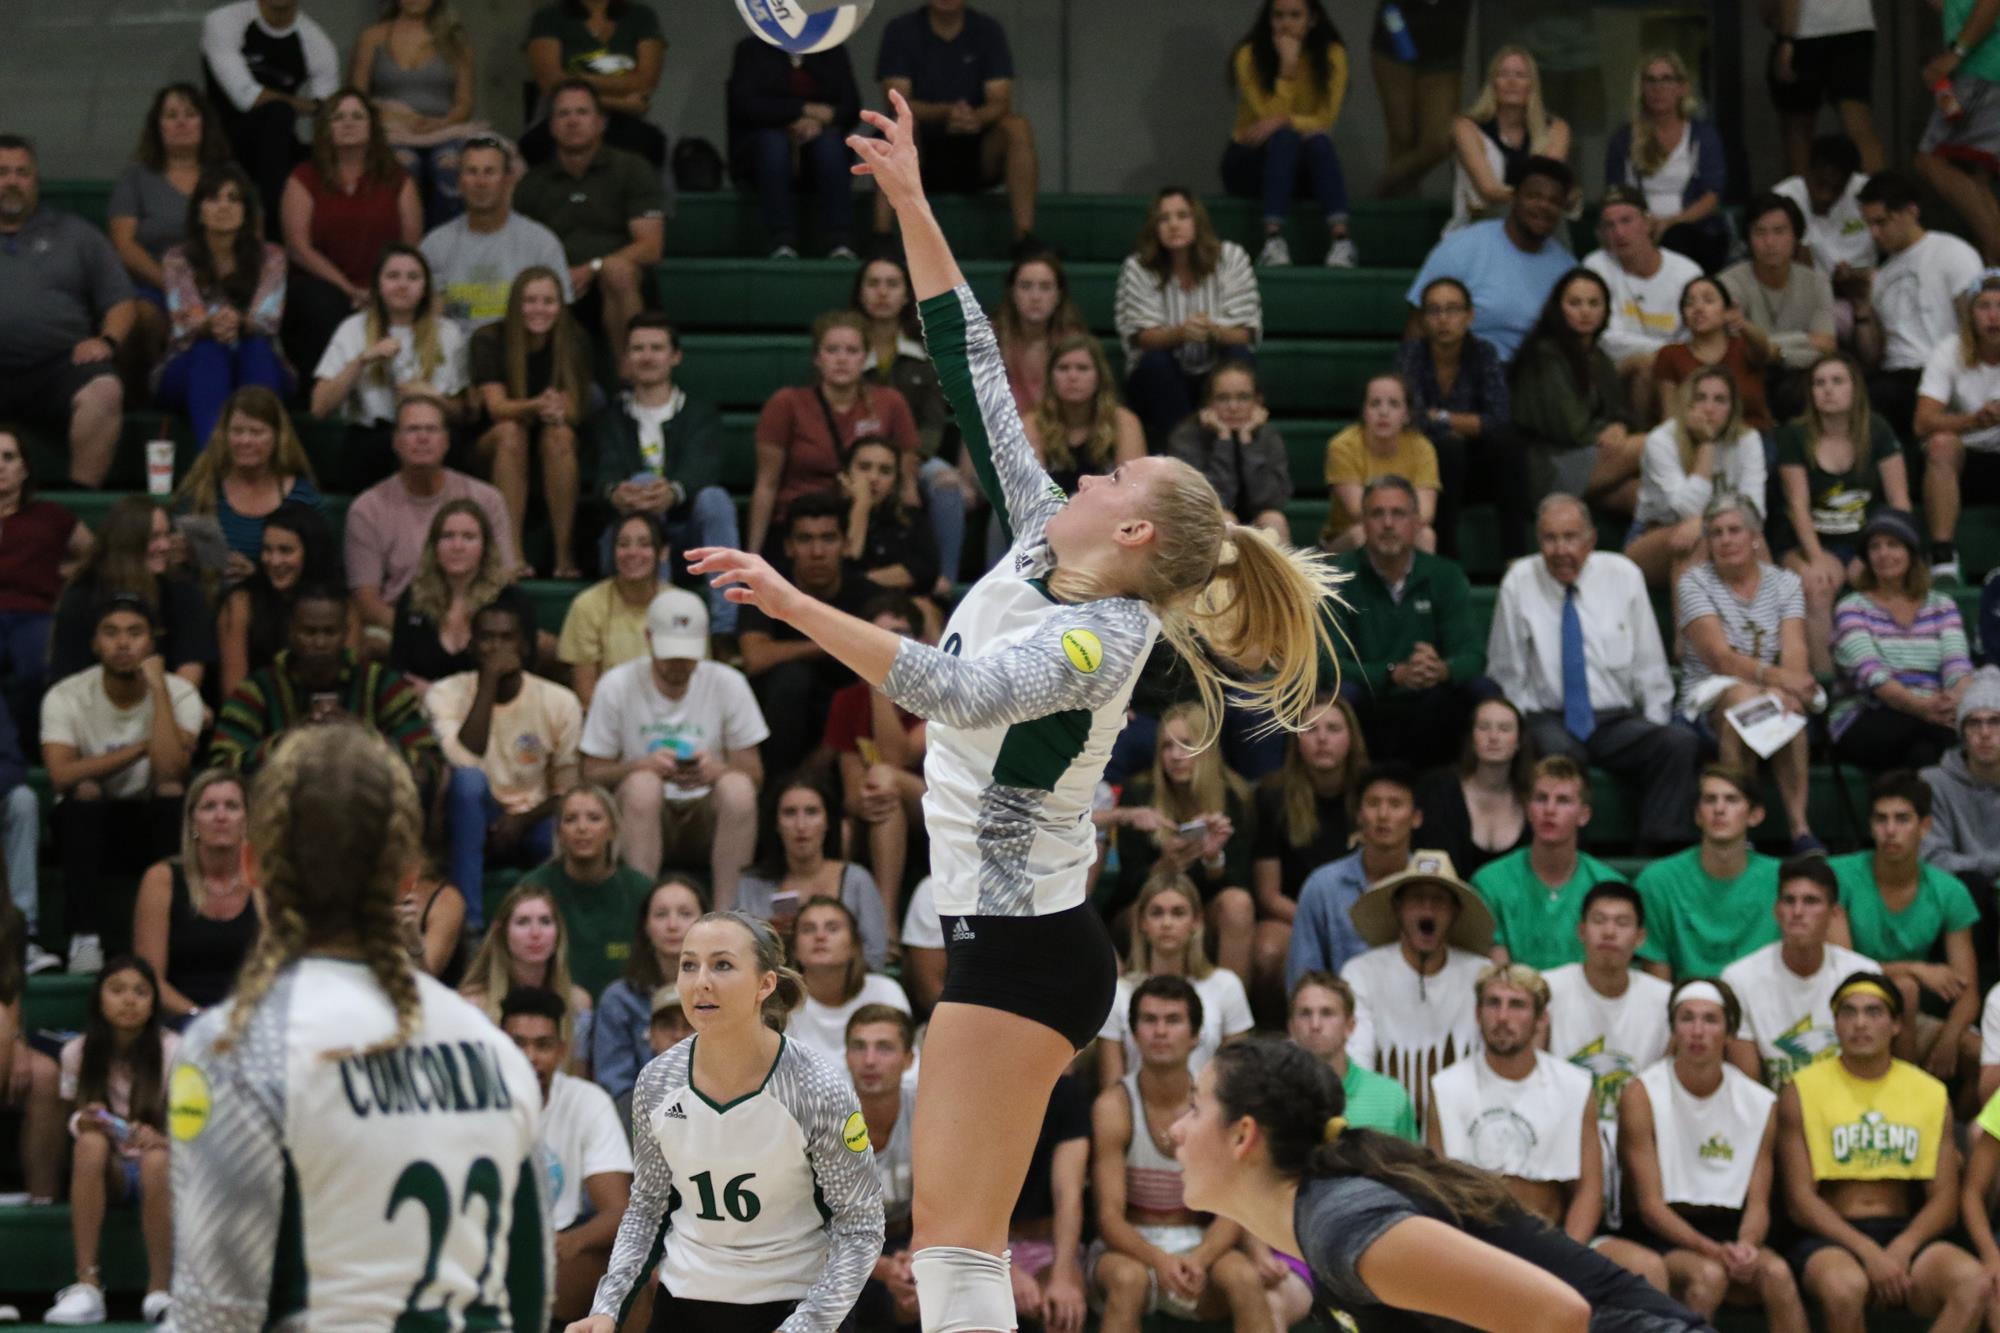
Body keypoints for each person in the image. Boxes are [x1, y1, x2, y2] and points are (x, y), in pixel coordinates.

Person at [684, 89, 1340, 1333]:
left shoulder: (1100, 636)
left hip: (1022, 945)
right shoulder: (1048, 531)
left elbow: (945, 689)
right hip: (1008, 933)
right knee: (956, 1244)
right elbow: (971, 356)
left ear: (1134, 530)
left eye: (1115, 474)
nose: (1089, 468)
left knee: (955, 1249)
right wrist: (913, 201)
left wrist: (785, 597)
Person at [163, 725, 549, 1331]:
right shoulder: (496, 1050)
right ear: (406, 878)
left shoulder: (237, 1047)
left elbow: (214, 1316)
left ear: (252, 865)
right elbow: (526, 1301)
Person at [1169, 1039, 1711, 1333]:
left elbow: (1557, 1317)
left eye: (1194, 1107)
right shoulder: (1323, 1223)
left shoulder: (1343, 1223)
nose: (1176, 1130)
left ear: (1244, 1134)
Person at [570, 910, 884, 1333]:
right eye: (688, 965)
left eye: (722, 964)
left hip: (793, 1304)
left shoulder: (817, 1088)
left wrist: (807, 1326)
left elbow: (861, 1226)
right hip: (684, 1303)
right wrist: (607, 1307)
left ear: (765, 984)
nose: (701, 981)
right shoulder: (658, 1082)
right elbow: (646, 1208)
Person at [1776, 972, 1988, 1331]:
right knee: (1846, 1288)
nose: (1860, 1023)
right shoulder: (1801, 1090)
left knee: (1973, 1283)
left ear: (1895, 1026)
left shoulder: (1929, 1092)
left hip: (1906, 1232)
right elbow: (1799, 1200)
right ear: (1836, 1025)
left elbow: (1945, 1199)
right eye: (1849, 1013)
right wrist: (1869, 1252)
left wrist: (1903, 1247)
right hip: (1830, 1238)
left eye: (1874, 1012)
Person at [1486, 493, 1698, 852]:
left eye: (1570, 538)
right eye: (1549, 539)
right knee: (1559, 752)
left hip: (1615, 721)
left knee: (1677, 743)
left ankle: (1657, 855)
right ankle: (1568, 857)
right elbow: (1506, 671)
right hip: (1548, 718)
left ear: (1591, 540)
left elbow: (1650, 664)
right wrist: (1522, 731)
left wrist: (1656, 722)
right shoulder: (1519, 580)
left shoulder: (1623, 575)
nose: (1559, 550)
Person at [1429, 963, 1661, 1285]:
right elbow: (1440, 1191)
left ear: (1541, 1019)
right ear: (1478, 1013)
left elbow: (1589, 1190)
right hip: (1476, 1245)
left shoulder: (1575, 1085)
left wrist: (1563, 1258)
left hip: (1555, 1240)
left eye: (1517, 1005)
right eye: (1493, 1003)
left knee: (1649, 1268)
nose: (1503, 1016)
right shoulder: (1446, 1086)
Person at [1617, 979, 1806, 1330]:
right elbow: (1650, 1207)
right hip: (1666, 1232)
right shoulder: (1642, 1093)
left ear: (1729, 1032)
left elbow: (1759, 1202)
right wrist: (1710, 1250)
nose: (1698, 1031)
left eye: (1710, 1020)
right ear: (1673, 1029)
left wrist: (1746, 1246)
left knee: (1777, 1274)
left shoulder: (1760, 1101)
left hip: (1732, 1230)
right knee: (1708, 1276)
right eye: (1687, 1019)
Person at [1089, 976, 1268, 1333]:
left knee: (1245, 1279)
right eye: (1149, 1020)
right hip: (1130, 1248)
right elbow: (1108, 1218)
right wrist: (1159, 1260)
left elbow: (1233, 1209)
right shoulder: (1114, 1106)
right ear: (1134, 1034)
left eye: (1173, 1020)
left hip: (1199, 1245)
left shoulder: (1220, 1106)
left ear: (1196, 1035)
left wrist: (1199, 1260)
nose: (1160, 1031)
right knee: (1128, 1280)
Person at [43, 598, 202, 973]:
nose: (123, 643)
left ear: (151, 643)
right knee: (84, 792)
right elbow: (60, 775)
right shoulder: (67, 695)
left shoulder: (180, 694)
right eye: (111, 633)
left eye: (135, 633)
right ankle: (84, 940)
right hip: (87, 827)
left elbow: (169, 773)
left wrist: (159, 689)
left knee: (173, 796)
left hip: (152, 823)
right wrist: (143, 746)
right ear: (96, 643)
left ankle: (174, 936)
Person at [579, 587, 767, 904]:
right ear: (649, 639)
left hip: (704, 811)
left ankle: (728, 914)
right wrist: (641, 765)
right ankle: (641, 910)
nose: (679, 665)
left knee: (738, 788)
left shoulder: (728, 683)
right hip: (642, 812)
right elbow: (591, 774)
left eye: (687, 656)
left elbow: (755, 774)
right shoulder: (617, 684)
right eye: (670, 656)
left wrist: (716, 770)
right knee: (642, 786)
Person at [1675, 495, 1818, 851]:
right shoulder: (1693, 584)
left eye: (1734, 530)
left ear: (1755, 536)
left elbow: (1796, 647)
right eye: (1716, 533)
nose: (1725, 540)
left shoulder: (1785, 583)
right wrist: (1781, 681)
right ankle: (1740, 830)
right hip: (1709, 691)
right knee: (1743, 700)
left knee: (1785, 711)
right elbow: (1720, 658)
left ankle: (1800, 828)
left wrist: (1790, 690)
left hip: (1771, 687)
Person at [428, 598, 582, 917]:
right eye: (486, 638)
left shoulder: (560, 701)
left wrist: (522, 820)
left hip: (534, 819)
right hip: (471, 816)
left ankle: (559, 928)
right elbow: (464, 761)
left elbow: (568, 790)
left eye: (506, 638)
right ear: (471, 646)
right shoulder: (444, 694)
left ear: (525, 647)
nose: (495, 647)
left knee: (566, 828)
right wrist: (488, 684)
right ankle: (468, 925)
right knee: (468, 782)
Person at [43, 957, 176, 1325]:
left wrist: (162, 1138)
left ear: (153, 1003)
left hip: (165, 1170)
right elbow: (71, 1116)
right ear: (99, 1000)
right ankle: (87, 1284)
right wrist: (82, 1120)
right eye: (117, 990)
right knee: (89, 1143)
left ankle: (160, 1292)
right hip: (110, 1173)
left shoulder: (175, 1049)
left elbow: (197, 1129)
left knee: (156, 1160)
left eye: (140, 992)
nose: (129, 1000)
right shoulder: (77, 1053)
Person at [0, 134, 135, 488]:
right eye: (2, 172)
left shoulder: (76, 235)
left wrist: (107, 341)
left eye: (21, 173)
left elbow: (121, 300)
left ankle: (80, 502)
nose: (12, 181)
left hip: (58, 367)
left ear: (36, 181)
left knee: (104, 389)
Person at [1829, 773, 1983, 1082]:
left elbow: (1968, 991)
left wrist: (1950, 1040)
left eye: (1902, 819)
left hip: (1908, 1017)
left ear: (1924, 827)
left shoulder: (1948, 890)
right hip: (1842, 1008)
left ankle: (1962, 1122)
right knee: (1906, 987)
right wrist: (1915, 969)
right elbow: (1842, 969)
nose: (1890, 830)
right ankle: (1903, 1100)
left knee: (1979, 1052)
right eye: (1881, 819)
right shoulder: (1840, 876)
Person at [592, 313, 739, 629]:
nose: (646, 357)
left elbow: (704, 469)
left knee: (716, 499)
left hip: (688, 533)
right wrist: (615, 492)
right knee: (643, 484)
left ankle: (726, 629)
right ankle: (655, 625)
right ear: (627, 357)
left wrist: (673, 492)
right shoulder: (610, 417)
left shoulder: (700, 413)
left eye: (656, 348)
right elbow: (600, 475)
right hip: (628, 537)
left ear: (675, 356)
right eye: (638, 349)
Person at [210, 583, 440, 783]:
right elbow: (220, 767)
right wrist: (290, 739)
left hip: (367, 812)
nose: (319, 642)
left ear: (345, 633)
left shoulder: (380, 683)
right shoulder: (260, 688)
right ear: (291, 631)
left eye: (330, 632)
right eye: (309, 632)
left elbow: (429, 763)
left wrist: (361, 735)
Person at [1543, 883, 1673, 1228]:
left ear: (1641, 937)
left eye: (1621, 922)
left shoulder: (1665, 1001)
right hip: (1561, 1141)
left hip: (1639, 1149)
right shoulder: (1549, 990)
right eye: (1599, 921)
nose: (1610, 932)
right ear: (1581, 931)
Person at [1330, 476, 1483, 769]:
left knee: (1480, 690)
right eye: (1377, 514)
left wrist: (1441, 669)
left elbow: (1473, 656)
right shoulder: (1337, 576)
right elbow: (1329, 665)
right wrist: (1391, 674)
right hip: (1368, 704)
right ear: (1363, 523)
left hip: (1430, 703)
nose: (1388, 524)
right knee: (1342, 695)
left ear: (1416, 522)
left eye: (1398, 514)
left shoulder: (1445, 575)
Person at [500, 986, 632, 1323]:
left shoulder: (587, 1101)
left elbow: (618, 1210)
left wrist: (574, 1241)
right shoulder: (472, 1103)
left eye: (542, 1045)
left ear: (561, 1051)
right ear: (497, 1046)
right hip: (487, 1240)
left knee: (615, 1269)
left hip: (560, 1241)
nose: (530, 1056)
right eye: (517, 1043)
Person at [1339, 851, 1493, 1137]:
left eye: (1438, 901)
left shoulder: (1481, 974)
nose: (1428, 910)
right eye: (1417, 899)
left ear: (1455, 912)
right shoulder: (1361, 972)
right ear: (1398, 908)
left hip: (1465, 1128)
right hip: (1383, 1128)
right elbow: (1357, 1059)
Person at [1775, 353, 1911, 675]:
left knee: (1879, 575)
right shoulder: (1794, 435)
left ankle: (1889, 675)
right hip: (1809, 541)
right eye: (1819, 383)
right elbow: (1797, 505)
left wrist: (1885, 549)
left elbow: (1899, 500)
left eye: (1837, 381)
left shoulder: (1877, 430)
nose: (1828, 390)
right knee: (1817, 585)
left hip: (1866, 539)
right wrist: (1816, 556)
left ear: (1855, 389)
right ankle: (1827, 686)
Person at [344, 392, 519, 643]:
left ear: (447, 441)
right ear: (396, 442)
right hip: (400, 626)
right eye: (413, 430)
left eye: (432, 430)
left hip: (478, 627)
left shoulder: (487, 499)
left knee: (547, 648)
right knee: (370, 644)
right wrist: (423, 633)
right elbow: (366, 601)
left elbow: (505, 578)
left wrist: (461, 627)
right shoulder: (367, 508)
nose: (423, 438)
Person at [750, 310, 922, 559]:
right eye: (832, 350)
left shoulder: (891, 402)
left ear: (865, 357)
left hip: (872, 527)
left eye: (852, 351)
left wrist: (914, 545)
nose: (842, 359)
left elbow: (908, 486)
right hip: (802, 525)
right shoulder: (786, 403)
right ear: (817, 358)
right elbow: (766, 484)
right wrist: (754, 553)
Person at [513, 80, 665, 356]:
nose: (572, 121)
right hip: (555, 285)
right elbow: (517, 246)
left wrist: (592, 268)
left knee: (617, 271)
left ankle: (629, 381)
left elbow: (651, 247)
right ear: (551, 126)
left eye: (582, 113)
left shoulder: (631, 169)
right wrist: (555, 277)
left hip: (616, 282)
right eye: (563, 114)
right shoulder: (532, 183)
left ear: (600, 122)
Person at [280, 88, 423, 374]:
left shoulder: (398, 179)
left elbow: (410, 246)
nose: (348, 123)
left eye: (358, 116)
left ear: (372, 126)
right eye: (339, 117)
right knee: (322, 303)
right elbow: (298, 247)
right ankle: (324, 394)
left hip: (383, 284)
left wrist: (380, 288)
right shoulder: (303, 178)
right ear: (325, 128)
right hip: (321, 285)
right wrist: (348, 289)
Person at [871, 0, 1036, 245]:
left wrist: (973, 118)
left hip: (977, 151)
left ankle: (1025, 238)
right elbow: (896, 100)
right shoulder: (901, 30)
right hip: (920, 154)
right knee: (897, 126)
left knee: (1017, 127)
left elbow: (1001, 101)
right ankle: (881, 236)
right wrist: (946, 113)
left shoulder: (988, 30)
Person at [309, 241, 470, 491]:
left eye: (413, 277)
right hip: (373, 438)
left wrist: (434, 398)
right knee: (382, 446)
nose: (403, 284)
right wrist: (362, 361)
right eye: (393, 276)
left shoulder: (448, 333)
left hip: (432, 434)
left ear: (425, 286)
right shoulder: (352, 329)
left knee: (450, 443)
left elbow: (463, 414)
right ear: (378, 285)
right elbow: (319, 407)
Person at [1107, 707, 1258, 973]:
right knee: (1159, 910)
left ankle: (1231, 1003)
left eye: (1187, 745)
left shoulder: (1236, 796)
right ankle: (1150, 1004)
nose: (1176, 756)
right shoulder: (1140, 793)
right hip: (1143, 907)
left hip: (1206, 908)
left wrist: (1212, 860)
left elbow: (1241, 881)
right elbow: (1127, 885)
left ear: (1207, 749)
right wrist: (1164, 868)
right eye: (1167, 746)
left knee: (1238, 904)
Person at [739, 494, 877, 782]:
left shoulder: (867, 596)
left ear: (846, 544)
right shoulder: (767, 588)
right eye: (805, 539)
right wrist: (828, 642)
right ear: (789, 547)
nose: (817, 551)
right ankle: (777, 791)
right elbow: (755, 657)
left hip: (850, 728)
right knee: (792, 679)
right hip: (780, 716)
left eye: (828, 538)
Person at [1112, 188, 1262, 444]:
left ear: (1198, 221)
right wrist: (1180, 334)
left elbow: (1244, 333)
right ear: (1154, 227)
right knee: (1155, 363)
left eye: (1182, 216)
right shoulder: (1138, 267)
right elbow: (1142, 337)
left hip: (1215, 366)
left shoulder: (1231, 258)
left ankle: (1236, 445)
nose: (1173, 225)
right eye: (1164, 218)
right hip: (1160, 376)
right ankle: (1184, 448)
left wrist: (1212, 331)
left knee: (1239, 356)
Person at [157, 163, 292, 444]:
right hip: (189, 365)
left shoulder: (271, 257)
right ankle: (215, 466)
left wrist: (239, 323)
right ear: (199, 211)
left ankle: (261, 461)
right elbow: (185, 321)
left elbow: (267, 320)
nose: (223, 207)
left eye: (233, 199)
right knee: (210, 349)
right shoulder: (177, 259)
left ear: (246, 211)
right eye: (213, 198)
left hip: (255, 358)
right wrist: (214, 324)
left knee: (254, 347)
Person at [472, 265, 592, 578]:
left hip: (550, 450)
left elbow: (578, 408)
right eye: (530, 301)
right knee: (512, 432)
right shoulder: (489, 339)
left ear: (560, 305)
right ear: (515, 304)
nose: (539, 309)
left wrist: (560, 411)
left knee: (561, 435)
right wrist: (538, 405)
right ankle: (511, 554)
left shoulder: (575, 340)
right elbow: (496, 408)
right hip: (491, 448)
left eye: (548, 301)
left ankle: (564, 556)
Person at [1829, 507, 1972, 770]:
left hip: (1932, 712)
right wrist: (1921, 708)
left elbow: (1957, 666)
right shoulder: (1852, 608)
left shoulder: (1942, 605)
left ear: (1911, 553)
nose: (1883, 554)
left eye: (1893, 545)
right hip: (1867, 712)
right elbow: (1873, 676)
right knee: (1929, 738)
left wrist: (1955, 699)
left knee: (1925, 750)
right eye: (1875, 547)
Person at [1249, 694, 1366, 1016]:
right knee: (1267, 950)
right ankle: (1281, 1029)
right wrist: (1317, 918)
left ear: (1351, 738)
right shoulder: (1273, 795)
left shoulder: (1370, 794)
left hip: (1362, 911)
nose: (1322, 738)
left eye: (1333, 728)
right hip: (1293, 913)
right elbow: (1268, 895)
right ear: (1296, 738)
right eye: (1310, 729)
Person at [1854, 169, 1982, 460]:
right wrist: (1862, 305)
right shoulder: (1882, 276)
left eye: (1881, 222)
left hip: (1939, 373)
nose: (1874, 233)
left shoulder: (1952, 253)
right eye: (1868, 225)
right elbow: (1874, 354)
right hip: (1893, 374)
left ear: (1910, 211)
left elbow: (1974, 324)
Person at [1721, 854, 1879, 1089]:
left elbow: (1872, 1071)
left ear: (1834, 915)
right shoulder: (1739, 979)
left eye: (1811, 901)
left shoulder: (1864, 974)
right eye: (1789, 900)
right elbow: (1750, 1091)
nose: (1797, 911)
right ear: (1777, 911)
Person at [852, 255, 964, 582]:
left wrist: (911, 459)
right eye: (874, 284)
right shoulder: (845, 348)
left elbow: (932, 422)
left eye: (892, 284)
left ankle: (946, 579)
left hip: (913, 454)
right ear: (860, 292)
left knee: (945, 481)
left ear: (906, 295)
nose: (882, 293)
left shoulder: (924, 352)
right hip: (854, 451)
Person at [1473, 759, 1644, 972]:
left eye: (1563, 800)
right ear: (1528, 809)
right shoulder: (1491, 882)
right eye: (1541, 799)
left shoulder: (1608, 886)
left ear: (1584, 815)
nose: (1550, 810)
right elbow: (1498, 972)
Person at [109, 85, 233, 377]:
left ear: (205, 123)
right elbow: (123, 244)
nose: (180, 122)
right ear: (157, 126)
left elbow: (251, 240)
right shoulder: (136, 177)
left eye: (190, 114)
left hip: (217, 285)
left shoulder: (228, 175)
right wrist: (173, 286)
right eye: (171, 115)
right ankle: (147, 394)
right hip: (153, 285)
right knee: (139, 316)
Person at [1222, 0, 1355, 269]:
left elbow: (1326, 119)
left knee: (1318, 142)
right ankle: (1273, 240)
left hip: (1303, 165)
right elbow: (1266, 120)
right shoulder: (1249, 54)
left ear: (1312, 19)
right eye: (1278, 15)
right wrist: (1287, 68)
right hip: (1250, 159)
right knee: (1285, 139)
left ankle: (1342, 242)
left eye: (1295, 15)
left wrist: (1286, 119)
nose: (1286, 23)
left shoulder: (1333, 54)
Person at [1406, 155, 1576, 363]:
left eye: (1554, 201)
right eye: (1534, 196)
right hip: (1467, 375)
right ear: (1514, 198)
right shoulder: (1462, 247)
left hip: (1532, 380)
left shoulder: (1567, 268)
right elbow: (1418, 324)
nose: (1543, 206)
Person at [1098, 875, 1255, 1088]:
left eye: (1178, 913)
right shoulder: (1118, 993)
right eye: (1157, 913)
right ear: (1142, 922)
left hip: (1206, 1112)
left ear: (1196, 921)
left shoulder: (1226, 986)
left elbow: (1236, 1081)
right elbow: (1112, 1086)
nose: (1167, 923)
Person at [1508, 267, 1641, 518]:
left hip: (1587, 458)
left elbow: (1619, 411)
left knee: (1639, 494)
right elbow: (1571, 429)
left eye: (1594, 303)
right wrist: (1605, 430)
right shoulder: (1545, 355)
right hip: (1549, 466)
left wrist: (1619, 426)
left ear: (1606, 310)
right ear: (1558, 308)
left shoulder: (1596, 355)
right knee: (1654, 444)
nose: (1585, 311)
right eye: (1575, 303)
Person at [132, 770, 259, 1026]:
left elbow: (278, 971)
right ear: (192, 823)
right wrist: (202, 1022)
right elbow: (150, 978)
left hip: (249, 1019)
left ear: (247, 820)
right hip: (180, 1020)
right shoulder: (161, 879)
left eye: (232, 807)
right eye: (209, 807)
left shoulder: (265, 883)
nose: (221, 816)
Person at [200, 0, 341, 230]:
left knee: (319, 156)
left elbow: (330, 115)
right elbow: (246, 98)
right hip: (223, 141)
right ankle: (275, 223)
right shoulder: (224, 21)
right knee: (279, 111)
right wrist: (308, 106)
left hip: (277, 143)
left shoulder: (316, 42)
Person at [49, 499, 216, 694]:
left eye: (166, 534)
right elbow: (68, 678)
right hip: (95, 708)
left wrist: (173, 708)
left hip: (166, 706)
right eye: (154, 537)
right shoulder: (82, 596)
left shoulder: (184, 591)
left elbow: (190, 668)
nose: (164, 545)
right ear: (127, 542)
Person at [1628, 366, 1768, 594]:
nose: (1709, 408)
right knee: (1695, 543)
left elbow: (1755, 509)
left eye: (1720, 400)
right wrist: (1707, 445)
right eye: (1701, 398)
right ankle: (1690, 631)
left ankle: (1766, 626)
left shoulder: (1748, 440)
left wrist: (1704, 522)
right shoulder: (1661, 440)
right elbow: (1686, 509)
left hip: (1714, 530)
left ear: (1732, 408)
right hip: (1654, 535)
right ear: (1687, 403)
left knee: (1755, 540)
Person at [1400, 276, 1513, 558]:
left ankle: (1514, 556)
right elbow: (1411, 418)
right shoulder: (1411, 355)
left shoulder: (1484, 354)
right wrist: (1465, 424)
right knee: (1450, 447)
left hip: (1479, 467)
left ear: (1469, 316)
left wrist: (1441, 417)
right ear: (1424, 319)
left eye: (1452, 310)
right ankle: (1447, 557)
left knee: (1509, 447)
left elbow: (1498, 419)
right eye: (1434, 310)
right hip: (1427, 467)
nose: (1443, 319)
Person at [1635, 766, 1780, 981]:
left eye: (1731, 799)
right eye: (1710, 800)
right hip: (1684, 1008)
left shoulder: (1781, 879)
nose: (1719, 809)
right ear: (1697, 815)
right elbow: (1657, 983)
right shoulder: (1657, 881)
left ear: (1755, 815)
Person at [1285, 763, 1423, 986]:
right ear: (1359, 815)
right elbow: (1303, 980)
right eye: (1373, 803)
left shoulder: (1432, 887)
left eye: (1395, 804)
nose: (1383, 815)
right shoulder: (1323, 886)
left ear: (1416, 818)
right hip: (1343, 1014)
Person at [725, 33, 860, 259]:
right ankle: (782, 241)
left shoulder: (832, 48)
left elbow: (850, 108)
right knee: (773, 143)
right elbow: (746, 105)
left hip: (819, 146)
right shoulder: (750, 49)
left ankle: (840, 241)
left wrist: (818, 122)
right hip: (764, 148)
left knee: (829, 143)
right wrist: (801, 111)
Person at [419, 134, 573, 333]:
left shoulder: (541, 243)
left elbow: (561, 317)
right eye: (472, 172)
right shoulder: (434, 245)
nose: (480, 182)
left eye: (490, 172)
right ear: (459, 182)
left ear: (508, 180)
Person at [511, 784, 649, 1001]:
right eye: (571, 819)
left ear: (612, 829)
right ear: (559, 833)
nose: (582, 828)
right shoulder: (534, 888)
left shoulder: (640, 890)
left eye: (594, 818)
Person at [349, 0, 481, 228]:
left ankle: (443, 248)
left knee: (448, 166)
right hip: (391, 129)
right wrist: (393, 117)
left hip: (443, 129)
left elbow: (465, 102)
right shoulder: (372, 37)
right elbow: (355, 98)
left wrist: (441, 122)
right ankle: (403, 252)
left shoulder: (455, 40)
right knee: (403, 165)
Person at [736, 779, 892, 969]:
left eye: (812, 812)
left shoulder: (856, 879)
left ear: (828, 822)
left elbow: (876, 954)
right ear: (775, 823)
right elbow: (734, 953)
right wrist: (769, 940)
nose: (801, 825)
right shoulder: (751, 884)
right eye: (789, 813)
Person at [173, 384, 325, 576]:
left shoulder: (302, 496)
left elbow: (319, 573)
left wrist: (256, 579)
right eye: (237, 431)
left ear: (277, 438)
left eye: (256, 432)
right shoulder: (202, 489)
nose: (245, 441)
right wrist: (180, 557)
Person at [1603, 52, 1730, 274]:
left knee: (1677, 237)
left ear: (1682, 87)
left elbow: (1712, 197)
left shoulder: (1703, 135)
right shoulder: (1623, 139)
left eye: (1666, 79)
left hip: (1694, 231)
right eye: (1650, 80)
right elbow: (1614, 194)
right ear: (1641, 88)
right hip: (1638, 229)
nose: (1658, 88)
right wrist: (1644, 224)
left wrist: (1670, 223)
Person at [0, 428, 89, 738]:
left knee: (37, 670)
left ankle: (18, 747)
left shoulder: (50, 515)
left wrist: (65, 571)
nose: (0, 465)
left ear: (24, 468)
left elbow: (94, 554)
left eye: (8, 457)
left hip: (35, 613)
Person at [388, 498, 534, 686]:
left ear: (485, 547)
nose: (457, 546)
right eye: (447, 536)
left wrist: (442, 695)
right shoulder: (414, 598)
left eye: (468, 537)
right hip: (422, 709)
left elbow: (521, 672)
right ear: (434, 546)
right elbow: (398, 670)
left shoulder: (512, 601)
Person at [1717, 192, 1836, 420]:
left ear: (1795, 237)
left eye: (1779, 232)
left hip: (1797, 377)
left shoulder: (1817, 283)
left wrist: (1776, 353)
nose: (1770, 242)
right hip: (1746, 375)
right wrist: (1804, 339)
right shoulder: (1729, 283)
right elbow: (1740, 351)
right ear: (1748, 239)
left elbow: (1827, 345)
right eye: (1760, 233)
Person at [1583, 186, 1704, 409]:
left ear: (1648, 223)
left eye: (1626, 220)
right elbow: (1607, 337)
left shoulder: (1687, 272)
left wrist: (1672, 356)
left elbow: (1698, 332)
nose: (1618, 233)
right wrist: (1667, 352)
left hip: (1683, 369)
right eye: (1609, 225)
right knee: (1646, 367)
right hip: (1617, 370)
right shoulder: (1596, 265)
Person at [591, 875, 705, 1109]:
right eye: (661, 914)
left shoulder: (724, 992)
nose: (672, 925)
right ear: (646, 926)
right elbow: (616, 1089)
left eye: (685, 914)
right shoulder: (619, 1000)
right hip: (641, 1122)